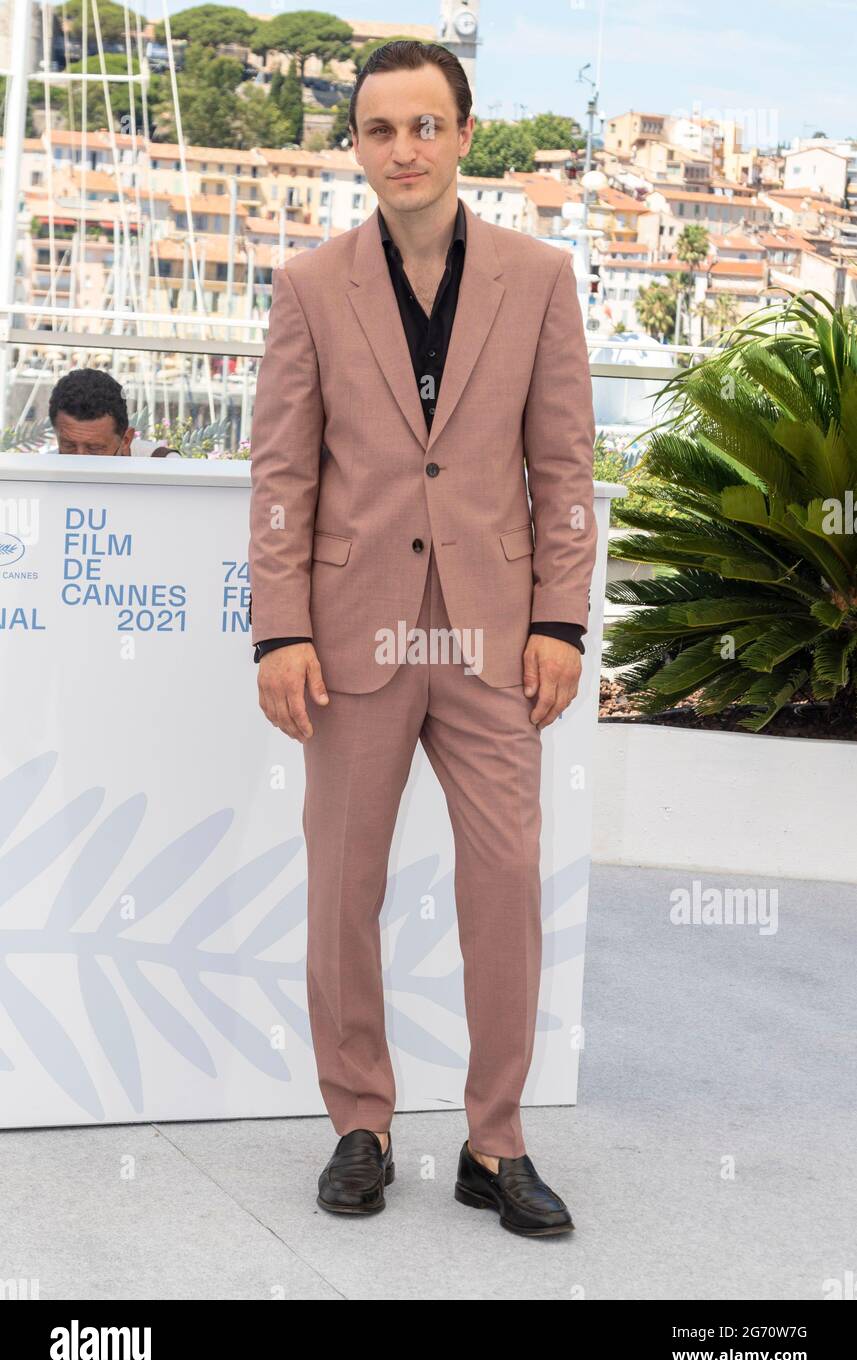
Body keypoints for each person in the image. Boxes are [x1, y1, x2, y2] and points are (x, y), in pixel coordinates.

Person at [248, 41, 597, 1238]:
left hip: (496, 639)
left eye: (424, 125)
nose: (402, 148)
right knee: (343, 883)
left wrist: (559, 618)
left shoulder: (540, 275)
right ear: (355, 144)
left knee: (502, 882)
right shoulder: (308, 285)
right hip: (349, 636)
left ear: (462, 134)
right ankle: (361, 1122)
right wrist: (278, 631)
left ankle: (493, 1144)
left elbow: (562, 467)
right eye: (379, 128)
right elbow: (282, 472)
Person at [47, 368, 181, 457]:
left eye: (94, 448)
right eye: (69, 446)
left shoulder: (164, 467)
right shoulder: (41, 473)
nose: (80, 459)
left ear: (126, 440)